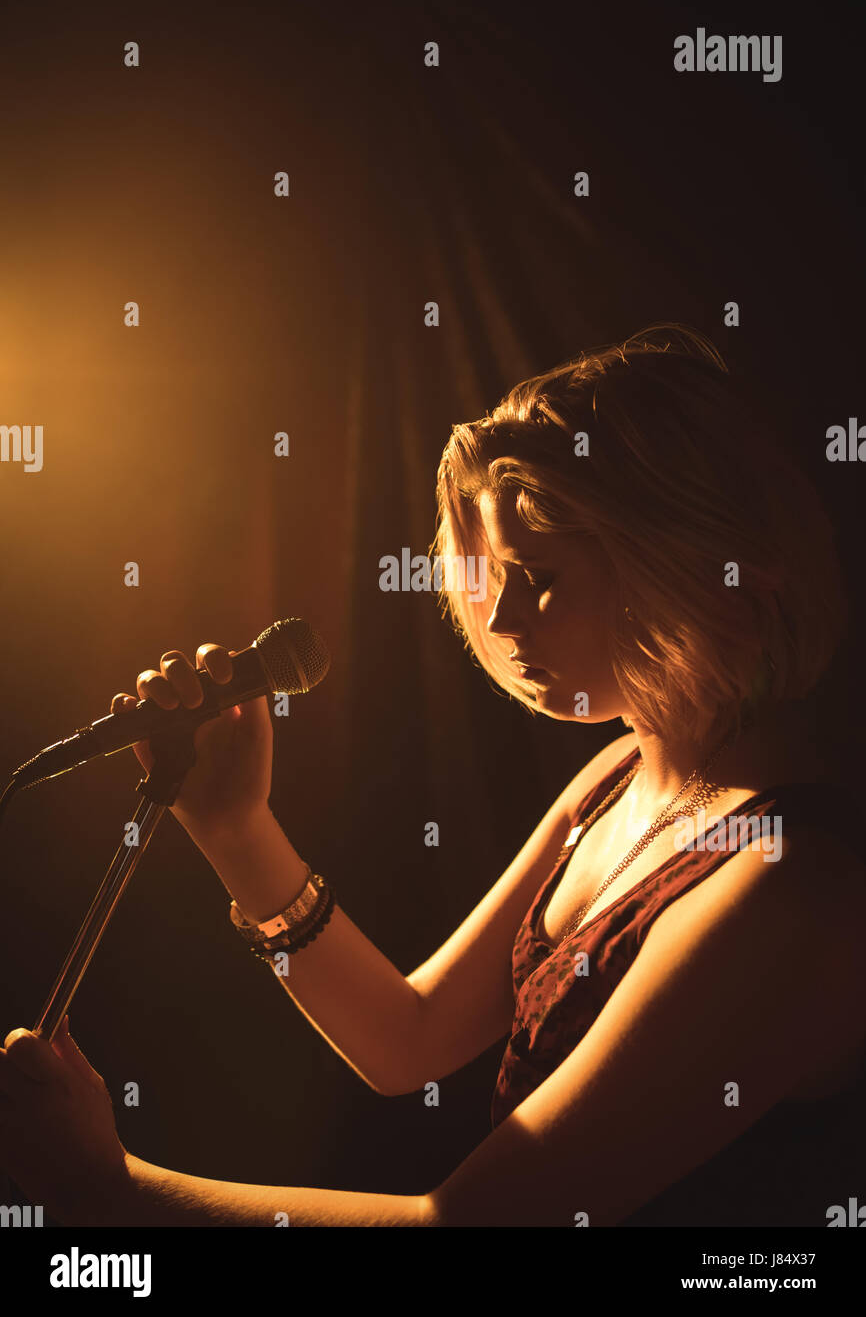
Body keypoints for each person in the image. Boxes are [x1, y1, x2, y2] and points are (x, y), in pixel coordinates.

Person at [1, 323, 864, 1227]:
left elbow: (471, 1230)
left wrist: (109, 1193)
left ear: (682, 561)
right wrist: (234, 826)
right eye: (494, 574)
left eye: (538, 575)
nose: (500, 619)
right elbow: (405, 1039)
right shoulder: (620, 774)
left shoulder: (793, 890)